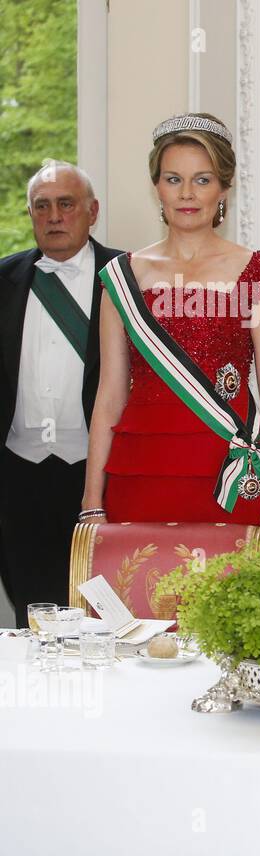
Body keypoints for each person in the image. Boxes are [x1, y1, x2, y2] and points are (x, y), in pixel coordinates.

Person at [82, 113, 260, 531]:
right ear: (157, 186)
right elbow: (108, 395)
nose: (187, 194)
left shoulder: (255, 272)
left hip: (228, 476)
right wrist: (92, 499)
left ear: (224, 188)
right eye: (173, 179)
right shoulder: (122, 277)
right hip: (139, 470)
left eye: (202, 179)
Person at [0, 163, 122, 620]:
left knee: (104, 610)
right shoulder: (4, 278)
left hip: (100, 474)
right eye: (42, 206)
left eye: (66, 205)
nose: (54, 216)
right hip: (19, 476)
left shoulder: (129, 276)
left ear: (92, 212)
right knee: (32, 610)